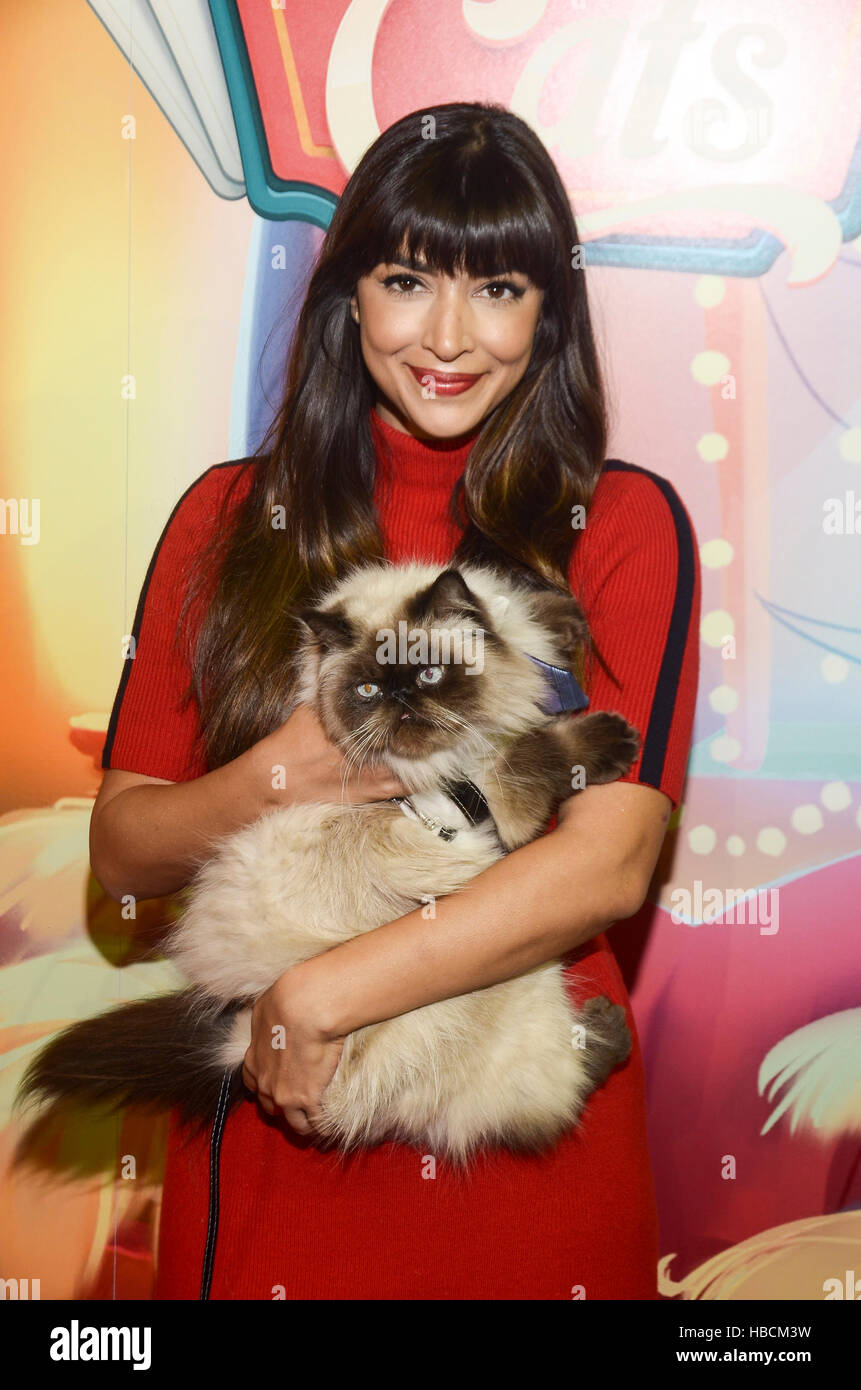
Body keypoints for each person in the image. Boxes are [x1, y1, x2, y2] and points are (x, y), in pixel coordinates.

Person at [92, 102, 700, 1300]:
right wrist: (293, 770)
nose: (450, 335)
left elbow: (609, 863)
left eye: (502, 289)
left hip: (522, 1165)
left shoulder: (619, 523)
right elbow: (122, 850)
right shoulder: (228, 520)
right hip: (273, 1157)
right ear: (349, 296)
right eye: (410, 278)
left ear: (550, 313)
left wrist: (327, 990)